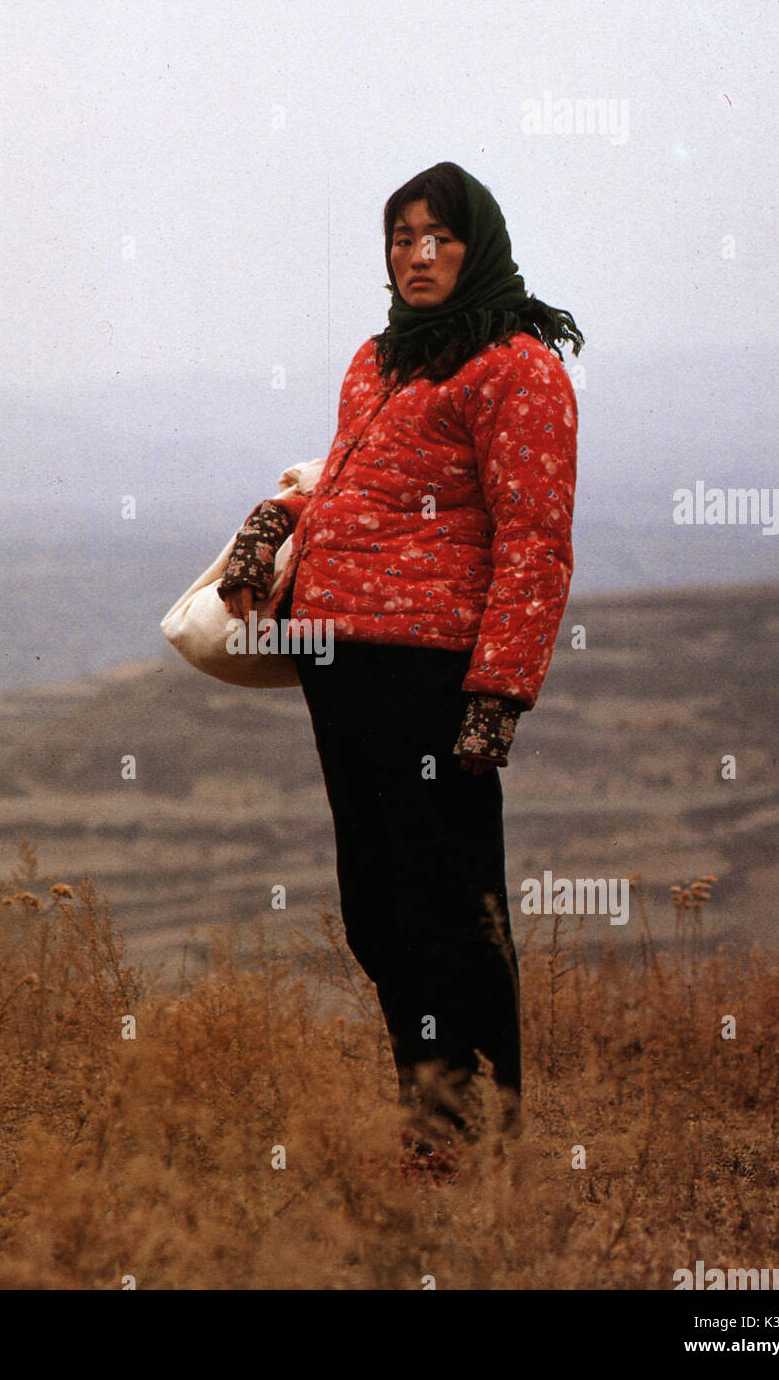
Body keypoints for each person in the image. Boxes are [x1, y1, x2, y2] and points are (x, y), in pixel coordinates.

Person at [217, 161, 583, 1181]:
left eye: (440, 237)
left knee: (446, 904)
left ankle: (477, 1134)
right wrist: (269, 527)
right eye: (401, 236)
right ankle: (428, 1116)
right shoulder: (378, 363)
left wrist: (498, 696)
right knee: (377, 902)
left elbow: (535, 543)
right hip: (338, 658)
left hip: (434, 673)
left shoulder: (519, 369)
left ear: (478, 248)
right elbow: (341, 490)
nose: (417, 255)